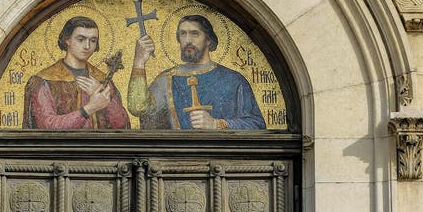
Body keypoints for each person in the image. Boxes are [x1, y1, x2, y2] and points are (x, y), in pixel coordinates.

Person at [127, 14, 266, 130]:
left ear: (208, 40)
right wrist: (139, 62)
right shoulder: (166, 78)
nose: (188, 40)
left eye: (195, 34)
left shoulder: (233, 80)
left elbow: (257, 125)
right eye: (183, 34)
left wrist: (216, 124)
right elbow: (138, 108)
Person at [22, 16, 130, 129]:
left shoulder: (101, 80)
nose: (87, 46)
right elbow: (46, 125)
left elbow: (123, 126)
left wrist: (107, 101)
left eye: (93, 41)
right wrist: (89, 109)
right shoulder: (45, 80)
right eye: (81, 39)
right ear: (67, 40)